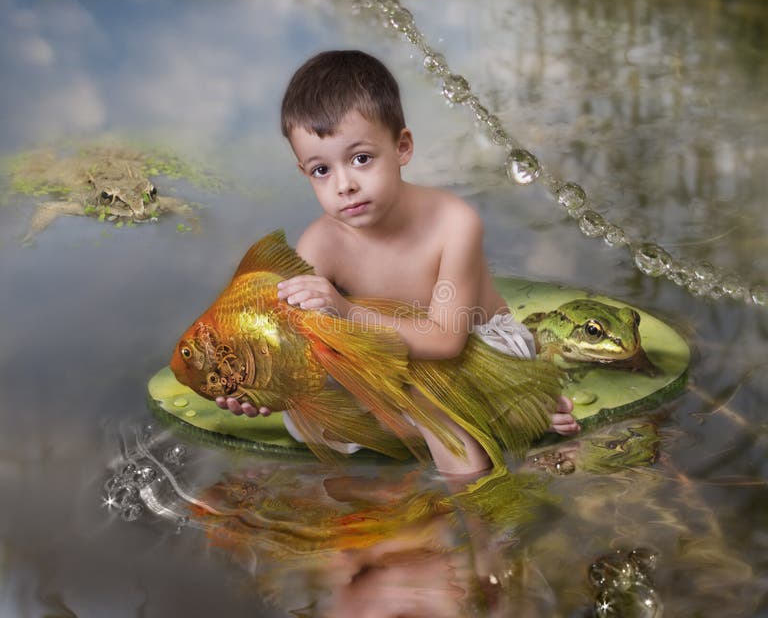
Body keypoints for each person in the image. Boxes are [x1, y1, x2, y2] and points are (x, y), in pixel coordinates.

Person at [216, 50, 579, 475]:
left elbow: (446, 342)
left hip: (479, 345)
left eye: (361, 159)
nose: (345, 185)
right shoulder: (320, 244)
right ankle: (496, 416)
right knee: (311, 415)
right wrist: (255, 383)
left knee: (427, 389)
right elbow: (300, 344)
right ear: (303, 172)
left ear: (401, 147)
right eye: (321, 170)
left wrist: (346, 309)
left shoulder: (453, 223)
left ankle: (488, 527)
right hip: (386, 357)